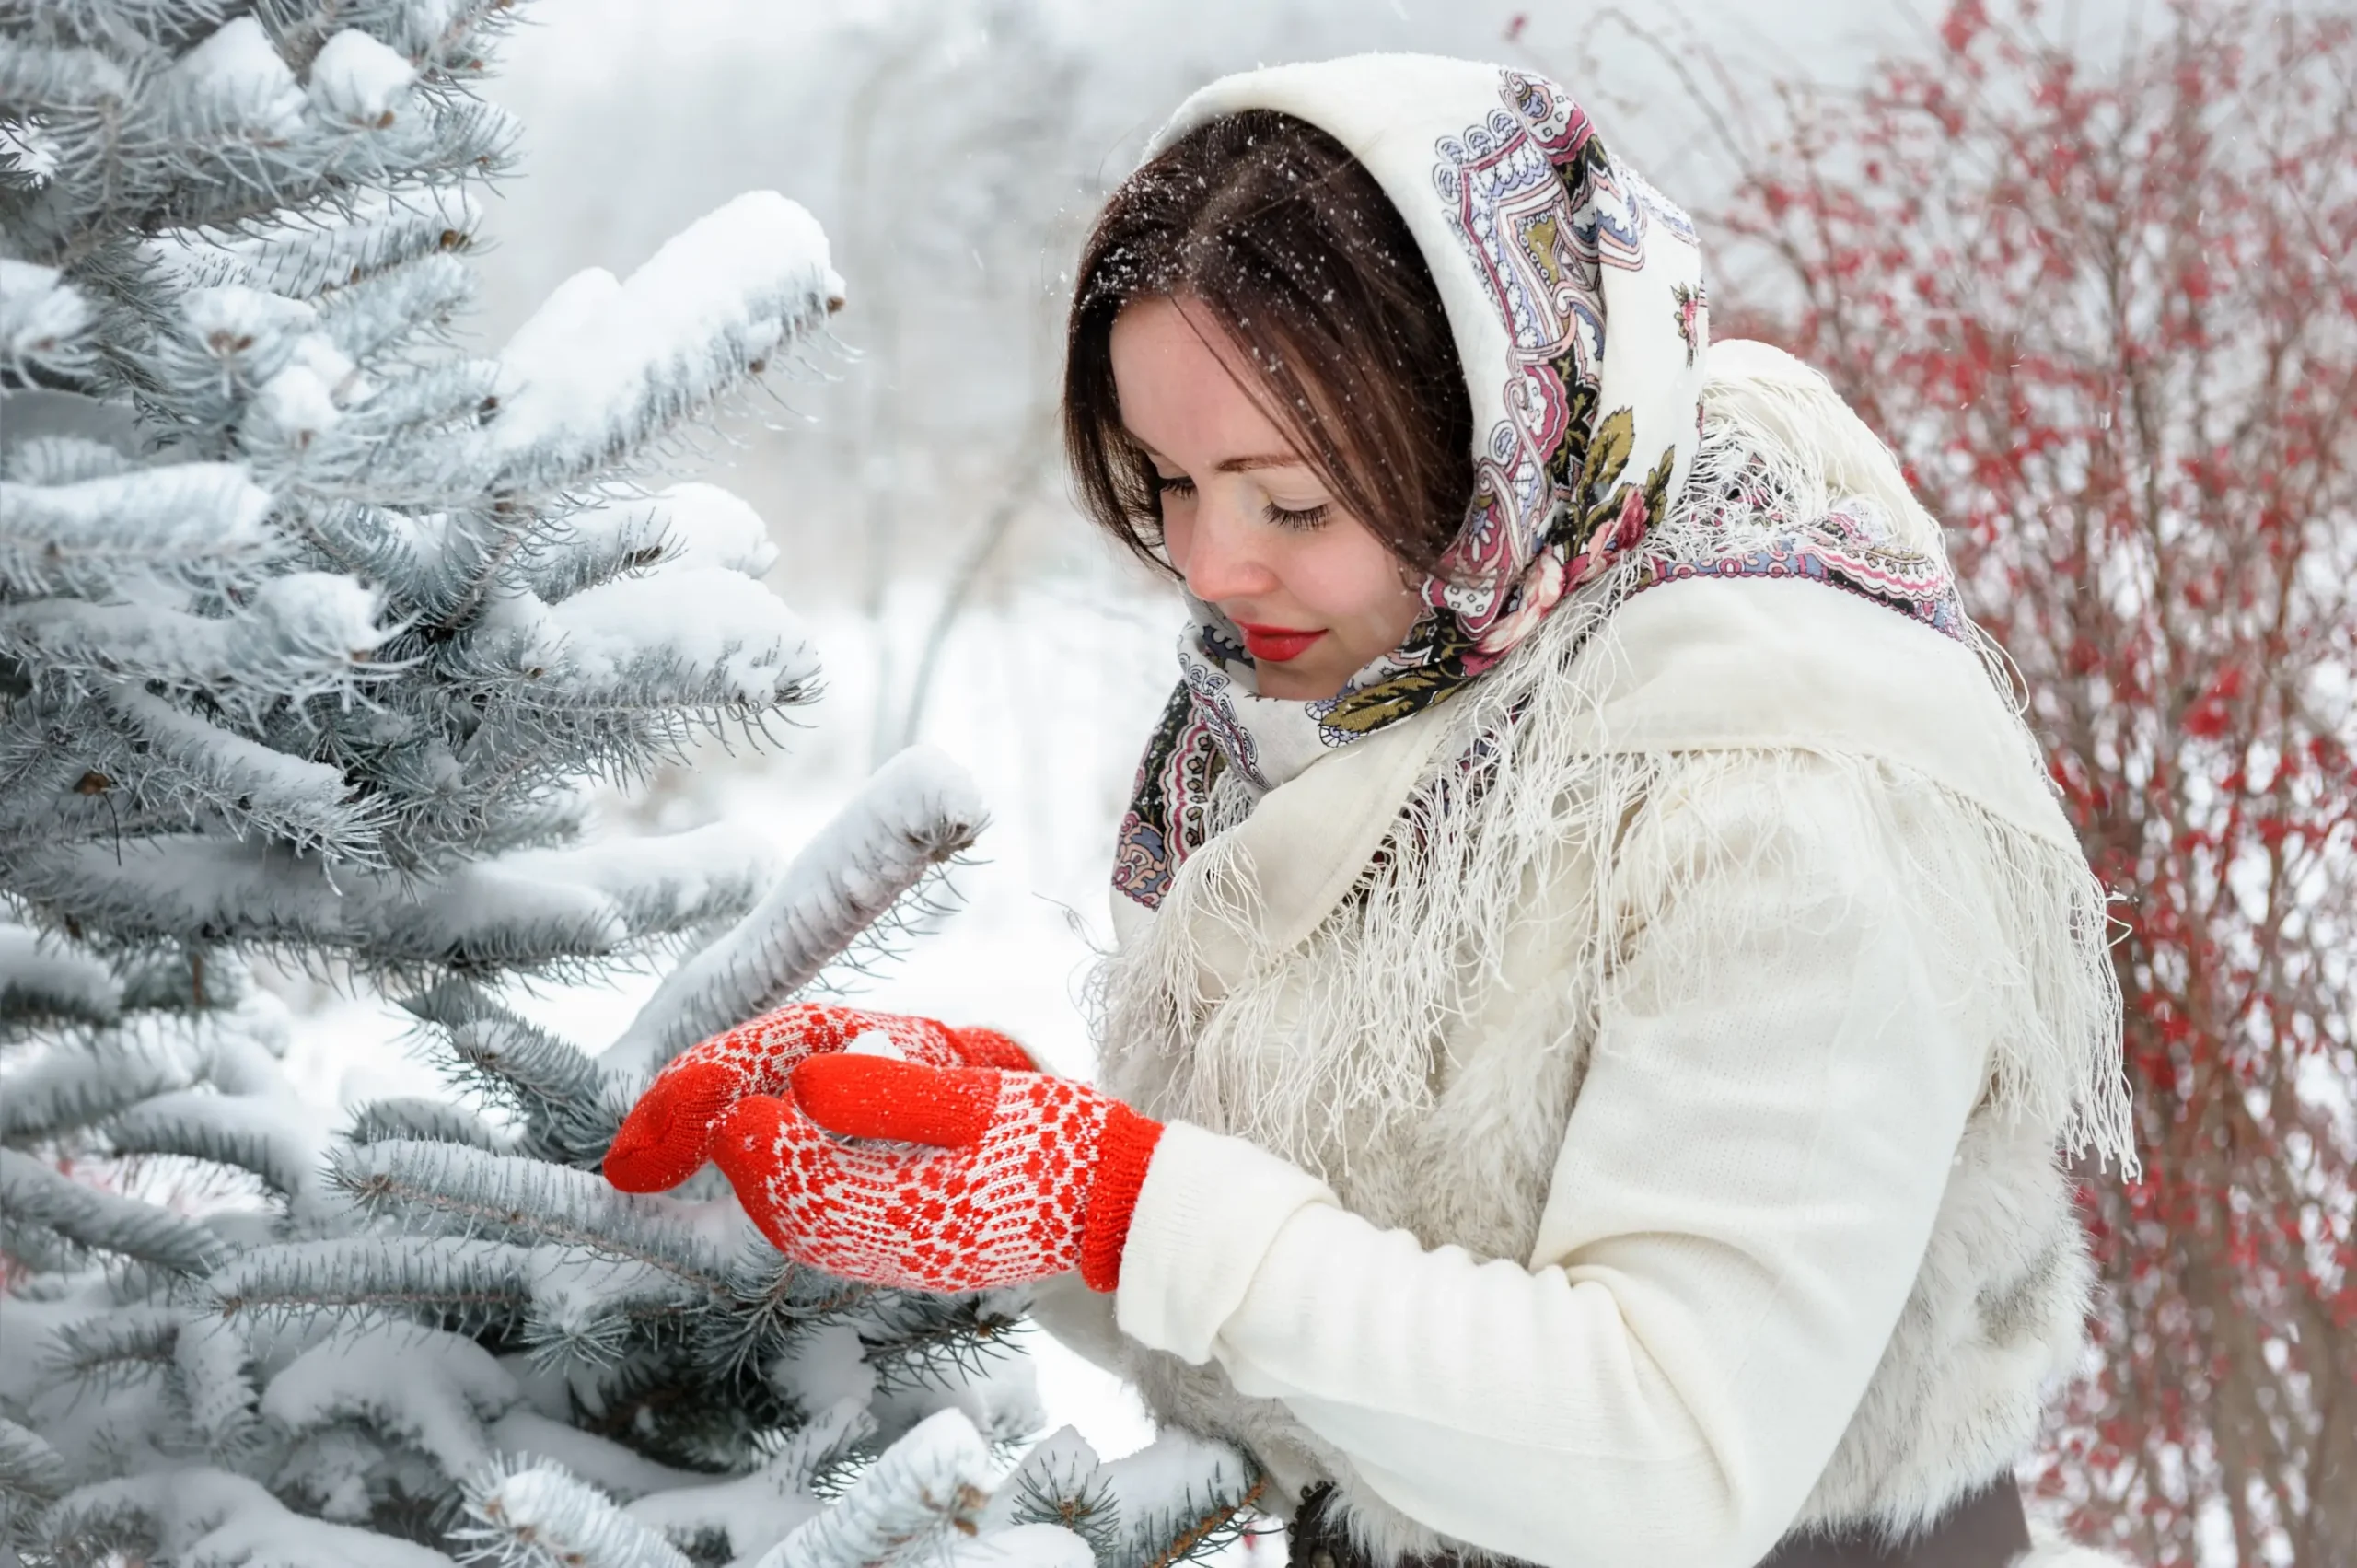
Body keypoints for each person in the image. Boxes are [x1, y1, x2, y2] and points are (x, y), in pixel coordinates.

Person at [605, 53, 2137, 1568]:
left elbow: (1672, 1457)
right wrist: (1003, 1164)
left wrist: (1114, 1196)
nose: (1209, 566)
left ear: (1488, 429)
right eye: (1166, 477)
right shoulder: (1401, 687)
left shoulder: (1780, 784)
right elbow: (1341, 1312)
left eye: (1290, 500)